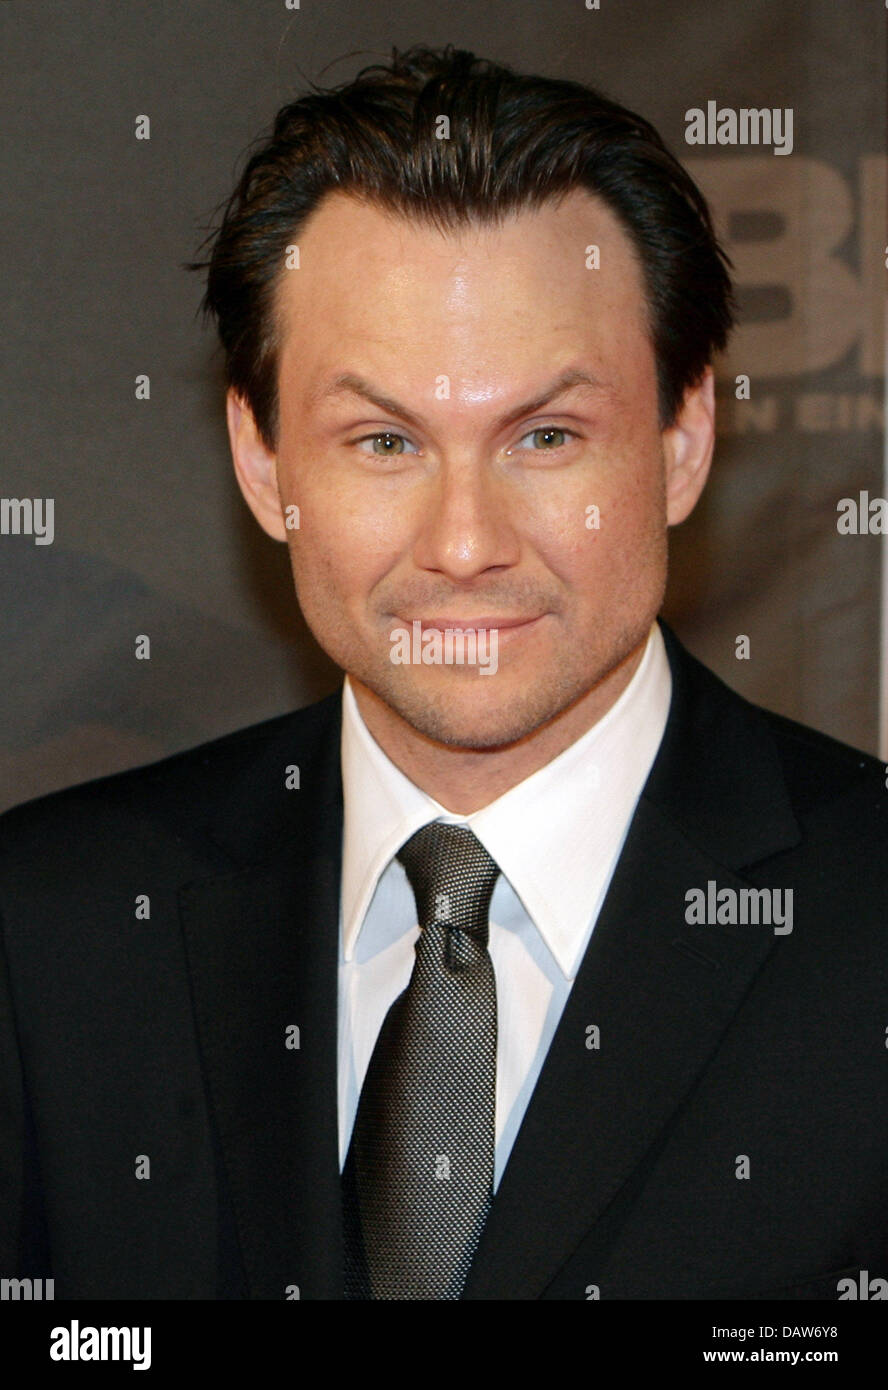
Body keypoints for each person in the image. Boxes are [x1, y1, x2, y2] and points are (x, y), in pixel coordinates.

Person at [1, 44, 885, 1302]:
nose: (465, 544)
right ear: (263, 467)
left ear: (684, 440)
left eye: (545, 435)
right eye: (382, 440)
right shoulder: (51, 937)